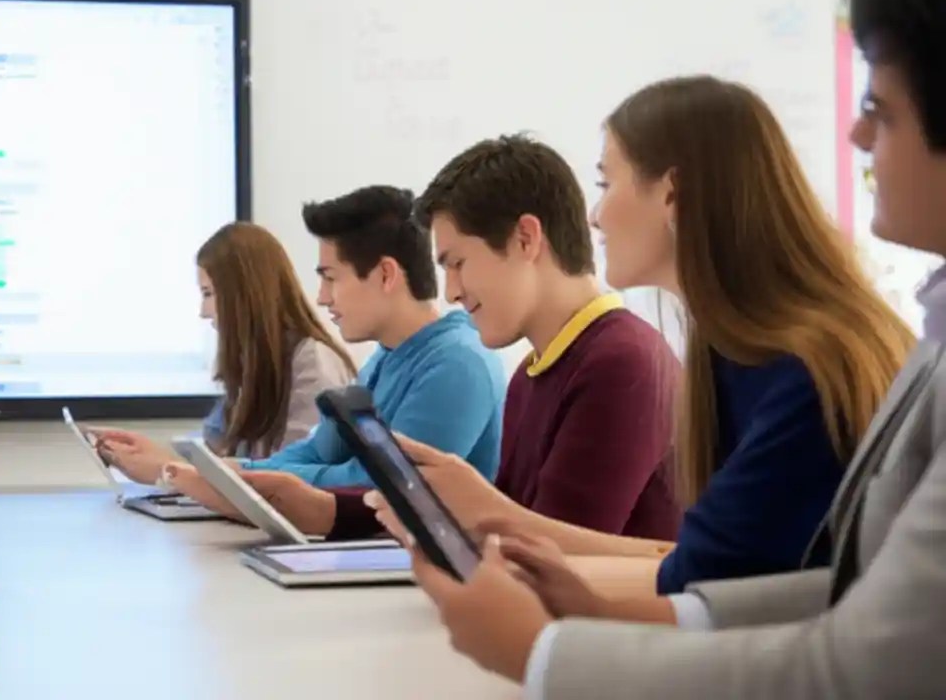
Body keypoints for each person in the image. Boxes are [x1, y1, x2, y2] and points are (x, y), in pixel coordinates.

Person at [403, 0, 946, 697]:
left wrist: (541, 648)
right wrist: (590, 601)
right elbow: (818, 586)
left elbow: (847, 640)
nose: (595, 215)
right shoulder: (728, 353)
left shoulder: (788, 365)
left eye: (607, 181)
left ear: (672, 193)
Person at [166, 137, 682, 544]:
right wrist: (325, 509)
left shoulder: (623, 364)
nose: (452, 292)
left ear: (527, 239)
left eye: (456, 264)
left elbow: (549, 552)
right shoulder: (534, 373)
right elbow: (504, 531)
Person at [98, 186, 506, 488]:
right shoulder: (386, 358)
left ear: (385, 275)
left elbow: (374, 485)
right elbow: (316, 452)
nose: (322, 297)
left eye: (331, 278)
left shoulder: (456, 364)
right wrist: (223, 472)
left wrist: (197, 474)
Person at [195, 223, 356, 458]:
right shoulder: (251, 363)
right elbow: (216, 449)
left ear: (244, 294)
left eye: (208, 293)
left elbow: (296, 472)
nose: (203, 311)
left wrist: (167, 469)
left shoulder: (312, 362)